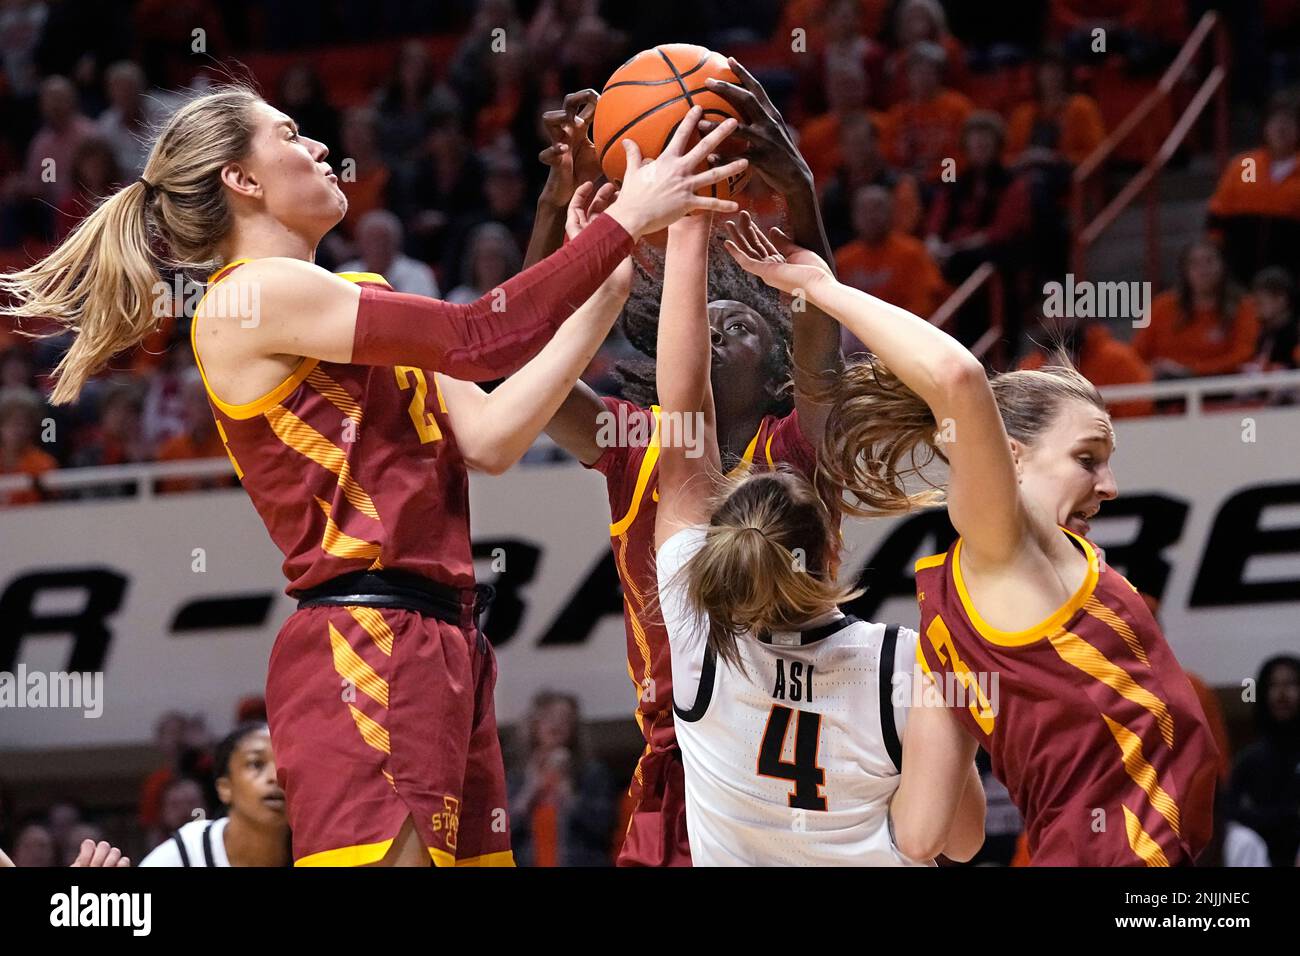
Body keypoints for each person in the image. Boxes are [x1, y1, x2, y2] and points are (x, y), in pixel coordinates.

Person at [1, 83, 745, 867]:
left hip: (449, 643)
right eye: (290, 135)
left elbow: (491, 437)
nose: (319, 147)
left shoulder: (360, 298)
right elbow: (477, 336)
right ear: (242, 180)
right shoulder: (246, 298)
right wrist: (629, 218)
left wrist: (605, 289)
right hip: (363, 640)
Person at [724, 217, 1220, 866]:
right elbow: (958, 378)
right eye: (1088, 457)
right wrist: (822, 286)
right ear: (1011, 457)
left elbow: (937, 837)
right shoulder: (1005, 542)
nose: (1110, 484)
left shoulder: (944, 623)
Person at [534, 66, 844, 867]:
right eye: (695, 316)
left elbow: (819, 346)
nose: (705, 330)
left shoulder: (798, 446)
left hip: (787, 753)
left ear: (774, 371)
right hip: (672, 760)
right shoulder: (634, 442)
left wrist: (801, 197)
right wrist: (552, 207)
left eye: (735, 322)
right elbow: (518, 373)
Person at [651, 209, 984, 865]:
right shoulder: (908, 663)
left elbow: (685, 408)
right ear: (832, 550)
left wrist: (685, 228)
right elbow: (963, 841)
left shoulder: (697, 631)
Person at [140, 723, 291, 867]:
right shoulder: (184, 854)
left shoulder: (311, 848)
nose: (275, 776)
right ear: (225, 787)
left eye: (284, 765)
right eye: (256, 764)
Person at [506, 692, 615, 867]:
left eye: (564, 719)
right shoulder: (516, 777)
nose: (555, 725)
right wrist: (530, 792)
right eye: (548, 717)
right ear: (534, 725)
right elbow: (499, 832)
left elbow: (604, 828)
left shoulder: (592, 773)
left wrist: (568, 794)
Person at [1133, 240, 1260, 379]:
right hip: (1165, 387)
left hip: (1219, 386)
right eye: (1195, 264)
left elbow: (1244, 354)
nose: (1203, 270)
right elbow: (1136, 353)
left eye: (1209, 261)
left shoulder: (1243, 306)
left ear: (1223, 266)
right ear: (1185, 271)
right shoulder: (1162, 306)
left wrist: (1191, 371)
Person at [1228, 655, 1300, 866]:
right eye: (1273, 685)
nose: (1281, 693)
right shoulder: (1250, 758)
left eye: (1291, 684)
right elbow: (1230, 810)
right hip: (1260, 851)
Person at [337, 210, 440, 299]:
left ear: (396, 242)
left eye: (383, 240)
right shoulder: (344, 273)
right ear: (359, 243)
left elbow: (429, 314)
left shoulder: (419, 274)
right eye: (370, 240)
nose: (376, 247)